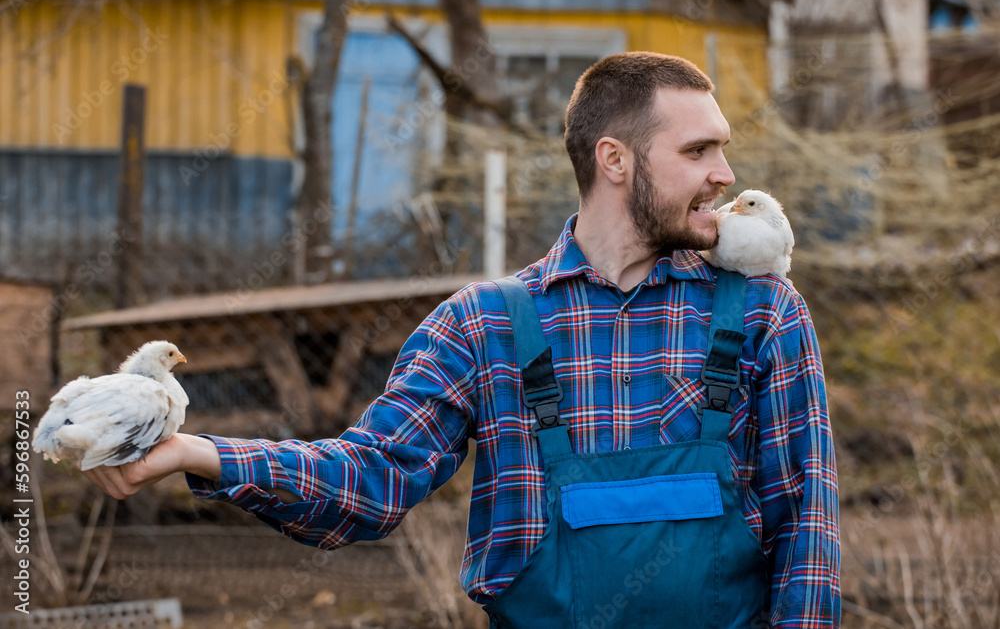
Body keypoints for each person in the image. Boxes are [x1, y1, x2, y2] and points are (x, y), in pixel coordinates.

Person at [84, 51, 841, 627]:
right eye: (698, 151)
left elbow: (807, 520)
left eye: (722, 149)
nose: (725, 173)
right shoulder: (486, 325)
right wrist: (195, 452)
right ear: (615, 159)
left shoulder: (764, 313)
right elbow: (370, 477)